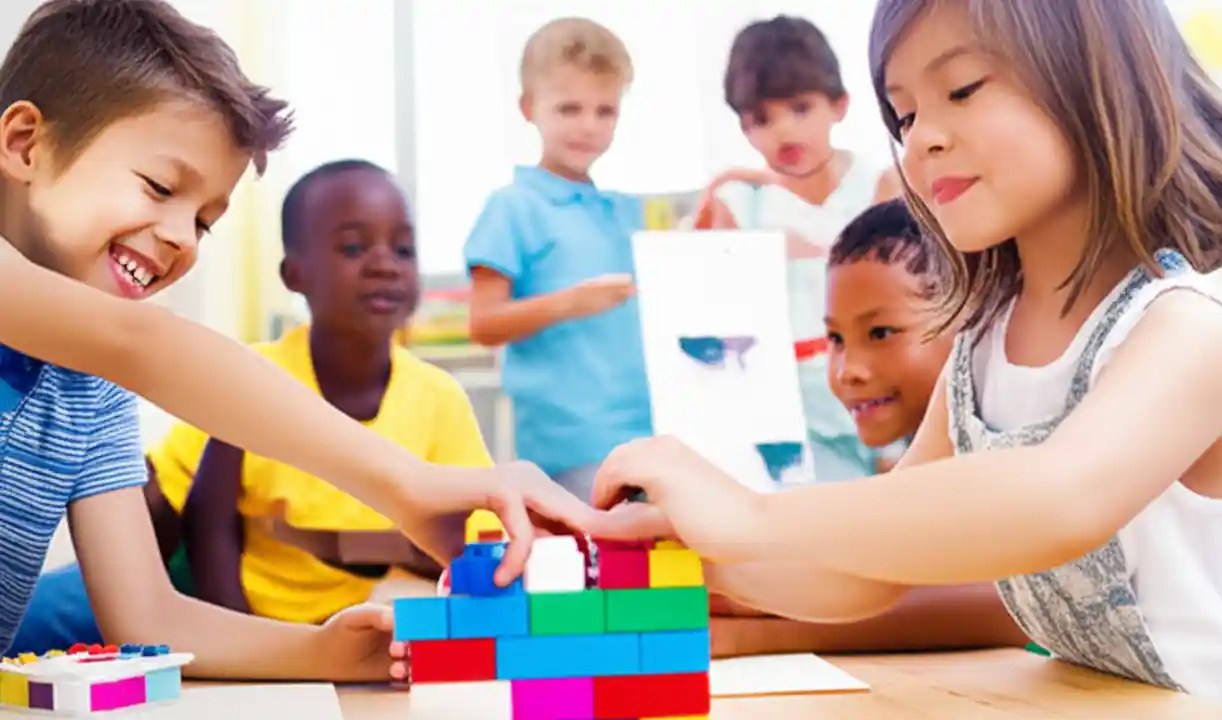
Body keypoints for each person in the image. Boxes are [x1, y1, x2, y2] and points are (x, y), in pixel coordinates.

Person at [587, 0, 1222, 713]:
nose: (921, 142)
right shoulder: (980, 347)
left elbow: (1055, 499)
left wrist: (754, 516)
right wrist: (692, 559)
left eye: (963, 89)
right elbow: (862, 575)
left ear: (1098, 83)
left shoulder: (1188, 328)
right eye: (906, 114)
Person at [0, 0, 597, 676]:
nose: (178, 236)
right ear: (25, 143)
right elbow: (142, 344)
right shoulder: (118, 346)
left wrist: (333, 652)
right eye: (159, 186)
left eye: (203, 220)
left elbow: (149, 618)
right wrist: (408, 485)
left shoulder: (91, 388)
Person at [12, 159, 490, 652]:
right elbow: (200, 526)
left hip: (304, 612)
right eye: (353, 247)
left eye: (404, 249)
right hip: (185, 565)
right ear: (295, 273)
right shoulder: (255, 378)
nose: (385, 264)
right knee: (49, 608)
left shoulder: (438, 398)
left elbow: (464, 542)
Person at [710, 198, 1024, 656]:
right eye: (835, 339)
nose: (846, 370)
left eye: (880, 333)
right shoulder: (913, 479)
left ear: (972, 316)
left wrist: (756, 634)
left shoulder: (1011, 448)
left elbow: (1013, 604)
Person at [691, 16, 902, 482]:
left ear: (839, 105)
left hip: (887, 398)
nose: (784, 131)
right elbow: (703, 307)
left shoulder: (881, 186)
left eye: (801, 108)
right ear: (743, 129)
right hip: (787, 417)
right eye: (762, 119)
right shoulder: (740, 204)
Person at [464, 17, 651, 501]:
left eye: (605, 111)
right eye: (569, 108)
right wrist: (571, 302)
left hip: (648, 434)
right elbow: (483, 323)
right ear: (529, 108)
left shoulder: (623, 213)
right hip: (569, 446)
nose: (588, 126)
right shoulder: (513, 207)